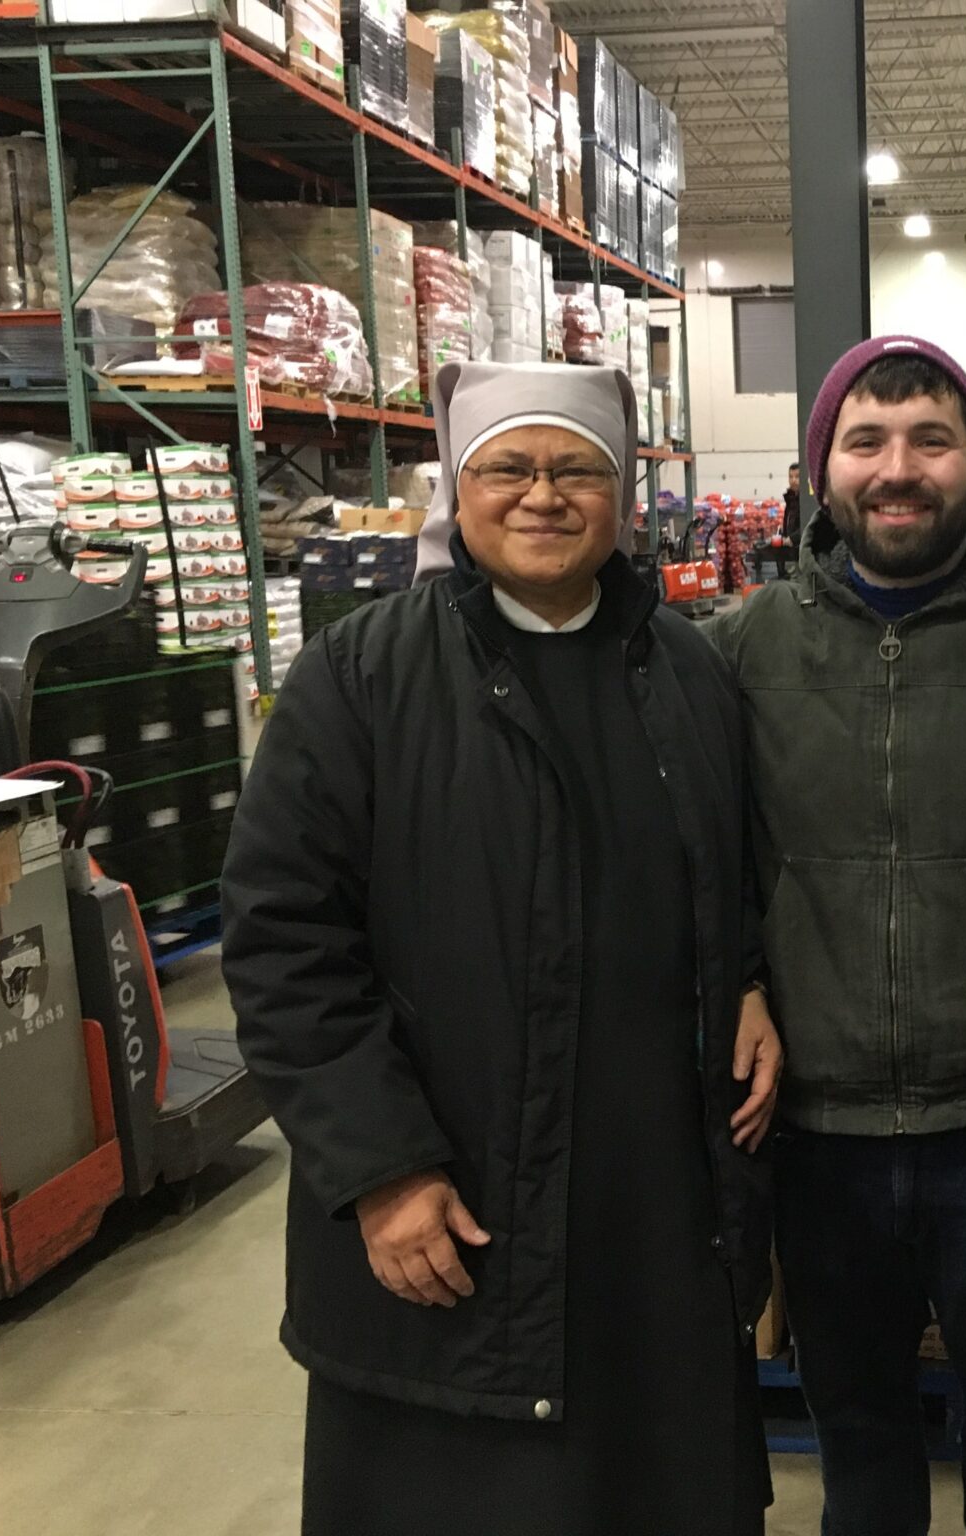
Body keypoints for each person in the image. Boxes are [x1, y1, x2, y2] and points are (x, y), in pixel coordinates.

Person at [223, 360, 780, 1536]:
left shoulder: (688, 670)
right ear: (457, 489)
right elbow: (283, 942)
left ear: (621, 496)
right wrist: (379, 1168)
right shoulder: (359, 679)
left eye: (577, 468)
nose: (543, 495)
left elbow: (740, 870)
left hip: (653, 1202)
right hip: (456, 1196)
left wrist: (748, 981)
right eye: (508, 467)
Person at [712, 335, 966, 1536]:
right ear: (822, 468)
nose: (900, 470)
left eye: (931, 440)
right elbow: (699, 859)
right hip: (821, 1137)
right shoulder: (745, 648)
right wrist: (737, 977)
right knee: (863, 1449)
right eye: (867, 442)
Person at [782, 459, 804, 549]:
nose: (793, 480)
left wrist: (793, 538)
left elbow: (806, 523)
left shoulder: (805, 500)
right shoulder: (790, 499)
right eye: (790, 477)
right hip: (791, 548)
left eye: (797, 477)